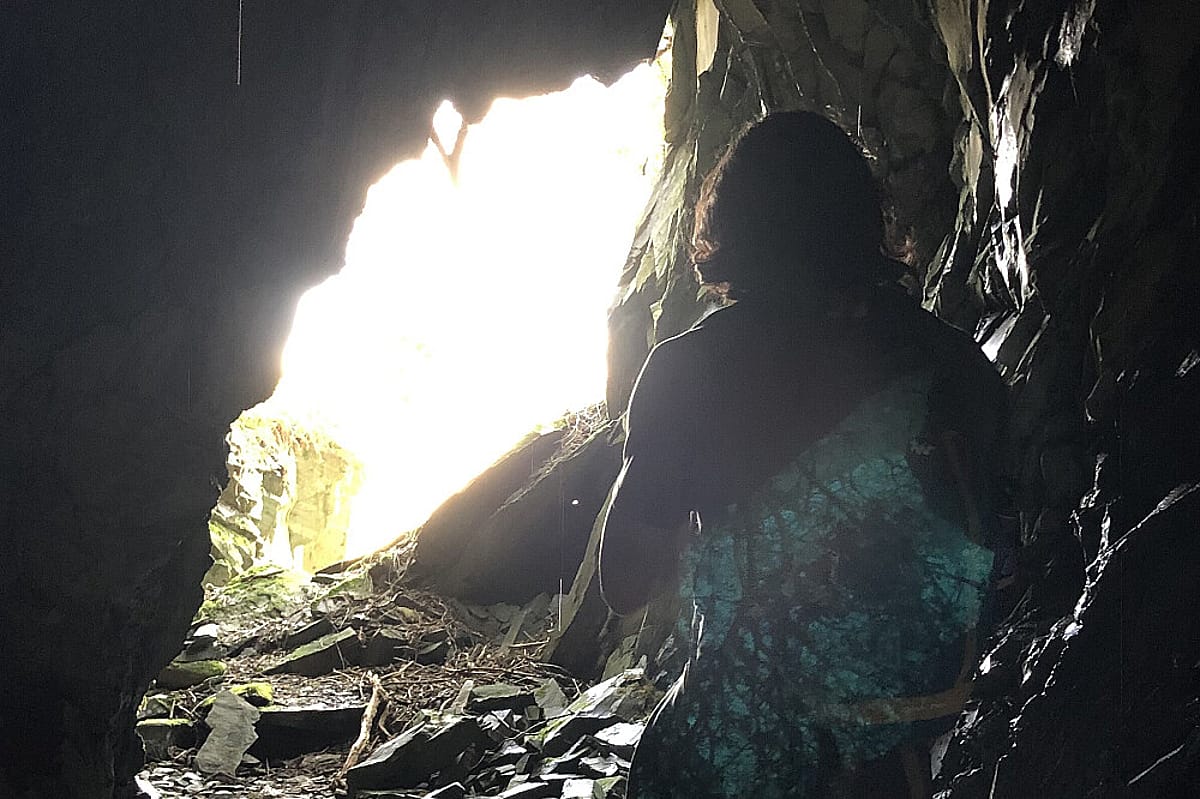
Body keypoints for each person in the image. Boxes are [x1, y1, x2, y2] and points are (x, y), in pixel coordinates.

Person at [598, 111, 1006, 798]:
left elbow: (623, 580)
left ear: (729, 230)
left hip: (738, 753)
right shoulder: (945, 357)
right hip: (894, 755)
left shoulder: (690, 368)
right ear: (859, 222)